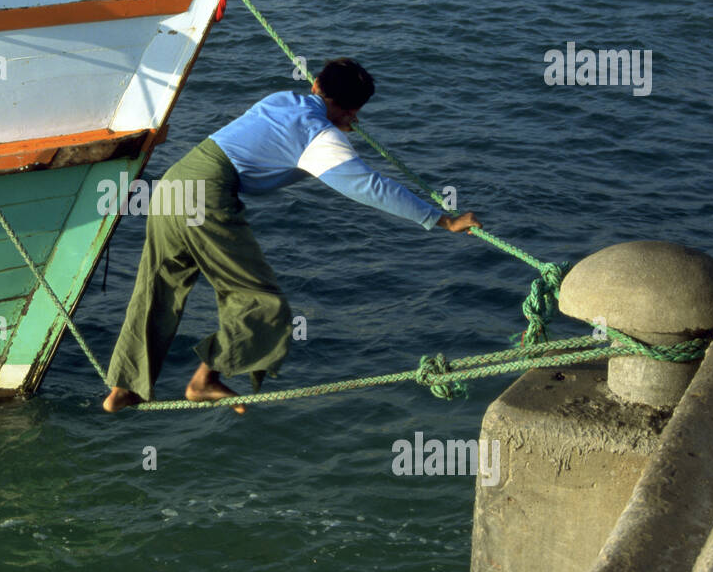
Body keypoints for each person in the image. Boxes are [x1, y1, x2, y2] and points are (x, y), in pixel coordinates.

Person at [103, 57, 482, 413]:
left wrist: (336, 125)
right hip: (206, 193)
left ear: (315, 84)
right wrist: (441, 220)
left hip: (176, 181)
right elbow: (370, 186)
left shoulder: (283, 99)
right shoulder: (320, 137)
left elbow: (276, 140)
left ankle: (125, 386)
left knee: (159, 286)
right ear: (352, 111)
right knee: (263, 302)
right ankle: (205, 378)